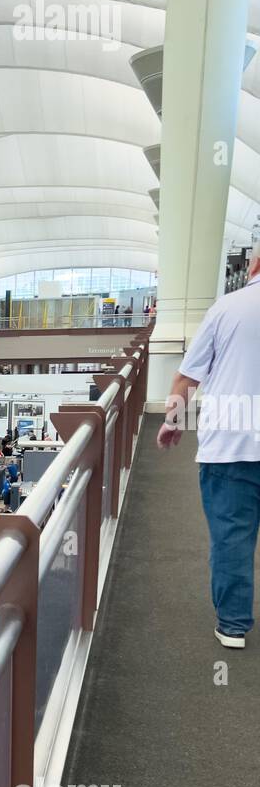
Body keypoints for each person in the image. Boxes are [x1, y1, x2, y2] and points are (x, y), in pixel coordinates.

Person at [158, 241, 260, 647]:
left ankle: (234, 625)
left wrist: (174, 422)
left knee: (232, 536)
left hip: (230, 444)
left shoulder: (227, 308)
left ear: (254, 264)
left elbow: (188, 376)